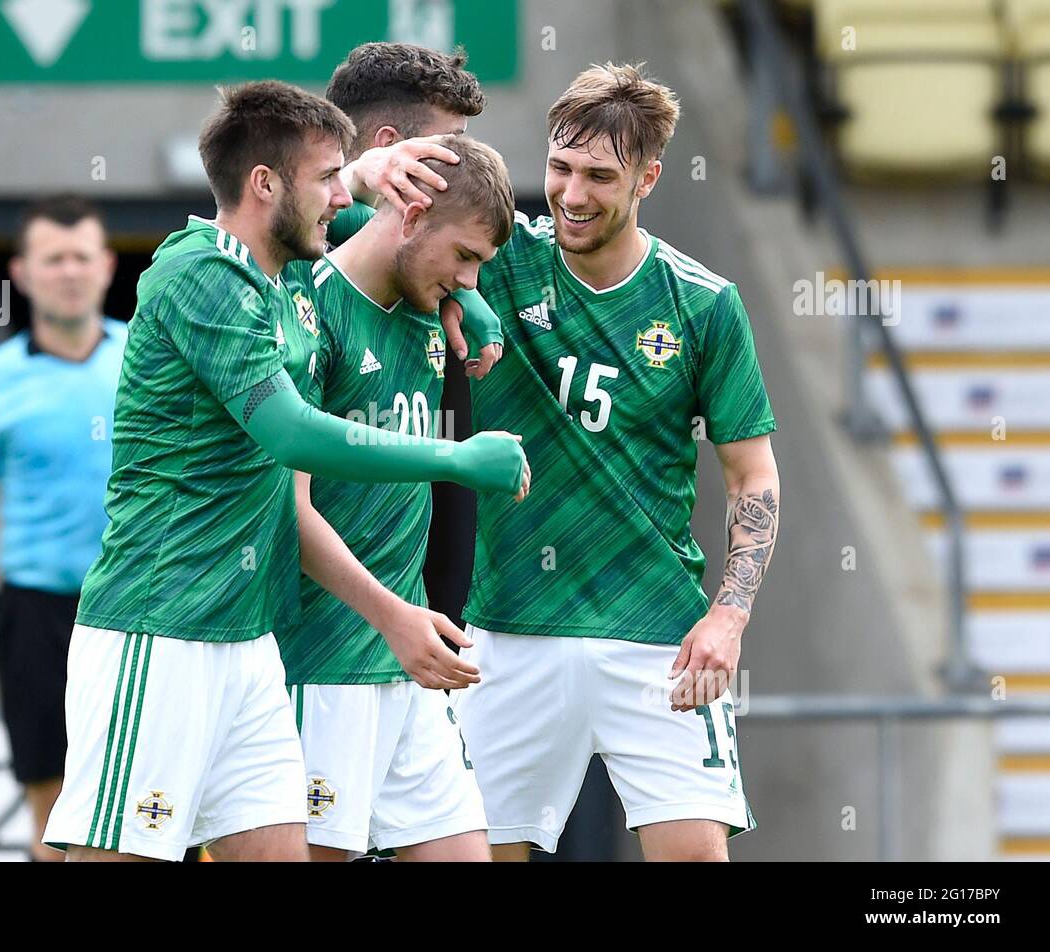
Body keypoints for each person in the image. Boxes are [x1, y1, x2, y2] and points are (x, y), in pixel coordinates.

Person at [40, 81, 529, 863]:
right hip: (161, 624)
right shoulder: (200, 272)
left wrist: (466, 292)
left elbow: (387, 233)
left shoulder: (290, 276)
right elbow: (292, 433)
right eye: (328, 179)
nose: (345, 193)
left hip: (249, 637)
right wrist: (455, 457)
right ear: (265, 185)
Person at [443, 63, 781, 862]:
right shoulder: (503, 260)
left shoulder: (704, 305)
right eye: (560, 169)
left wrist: (728, 616)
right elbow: (361, 226)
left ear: (648, 178)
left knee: (696, 856)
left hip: (656, 636)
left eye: (601, 176)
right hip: (509, 628)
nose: (573, 193)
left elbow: (752, 475)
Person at [279, 133, 515, 861]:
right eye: (466, 258)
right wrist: (393, 618)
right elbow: (288, 513)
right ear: (411, 217)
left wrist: (466, 304)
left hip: (404, 663)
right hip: (321, 661)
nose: (471, 284)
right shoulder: (307, 312)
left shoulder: (428, 308)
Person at [0, 194, 122, 862]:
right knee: (55, 807)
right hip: (38, 614)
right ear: (21, 272)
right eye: (53, 258)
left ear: (104, 266)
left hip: (144, 609)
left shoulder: (150, 364)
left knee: (156, 805)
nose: (68, 271)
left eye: (80, 256)